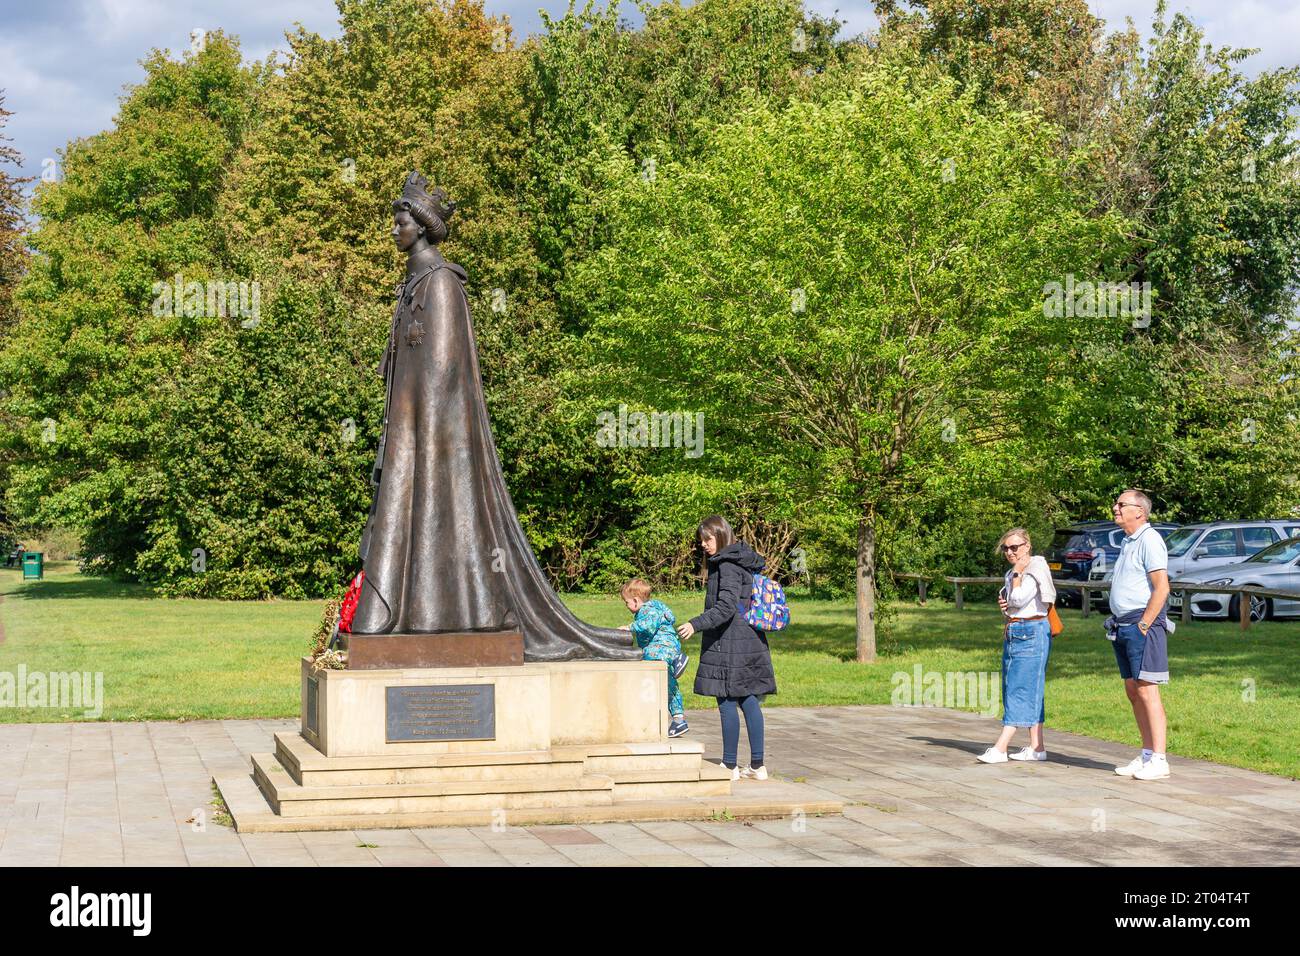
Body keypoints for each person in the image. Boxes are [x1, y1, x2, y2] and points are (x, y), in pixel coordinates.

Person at [676, 515, 775, 781]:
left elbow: (726, 607)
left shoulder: (727, 564)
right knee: (748, 698)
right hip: (748, 639)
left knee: (727, 700)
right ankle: (757, 766)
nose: (704, 545)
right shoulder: (740, 558)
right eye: (701, 540)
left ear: (721, 535)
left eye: (708, 539)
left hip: (731, 642)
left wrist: (695, 625)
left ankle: (730, 765)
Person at [1105, 489, 1173, 781]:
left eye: (1121, 504)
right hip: (1123, 625)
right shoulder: (1128, 541)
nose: (1115, 508)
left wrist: (1144, 624)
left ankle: (1159, 759)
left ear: (1140, 512)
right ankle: (1146, 755)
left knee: (1147, 689)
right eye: (1117, 504)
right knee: (1133, 690)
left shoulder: (1150, 539)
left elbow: (1162, 587)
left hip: (1141, 625)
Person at [978, 528, 1057, 764]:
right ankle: (1037, 747)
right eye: (1006, 548)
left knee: (1019, 687)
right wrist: (1006, 599)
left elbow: (1020, 599)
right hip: (1016, 629)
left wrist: (1016, 578)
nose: (1011, 552)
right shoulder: (1013, 572)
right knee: (1028, 687)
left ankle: (1001, 747)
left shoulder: (1034, 568)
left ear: (1027, 546)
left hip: (1031, 631)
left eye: (1015, 547)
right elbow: (1011, 602)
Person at [619, 579, 690, 738]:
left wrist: (629, 627)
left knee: (646, 654)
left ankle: (677, 658)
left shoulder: (648, 610)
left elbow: (647, 625)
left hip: (663, 648)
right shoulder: (655, 608)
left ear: (636, 601)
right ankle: (679, 721)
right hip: (667, 649)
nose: (626, 606)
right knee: (669, 684)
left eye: (626, 602)